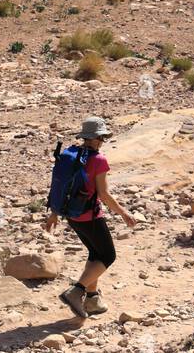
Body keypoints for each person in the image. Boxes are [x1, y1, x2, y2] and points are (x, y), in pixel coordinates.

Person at [45, 116, 136, 318]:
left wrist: (54, 213)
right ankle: (76, 291)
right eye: (102, 138)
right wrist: (123, 213)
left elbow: (60, 185)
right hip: (90, 216)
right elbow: (104, 194)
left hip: (72, 215)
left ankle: (92, 299)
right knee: (108, 256)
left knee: (95, 254)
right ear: (95, 138)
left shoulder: (71, 154)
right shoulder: (98, 160)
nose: (102, 141)